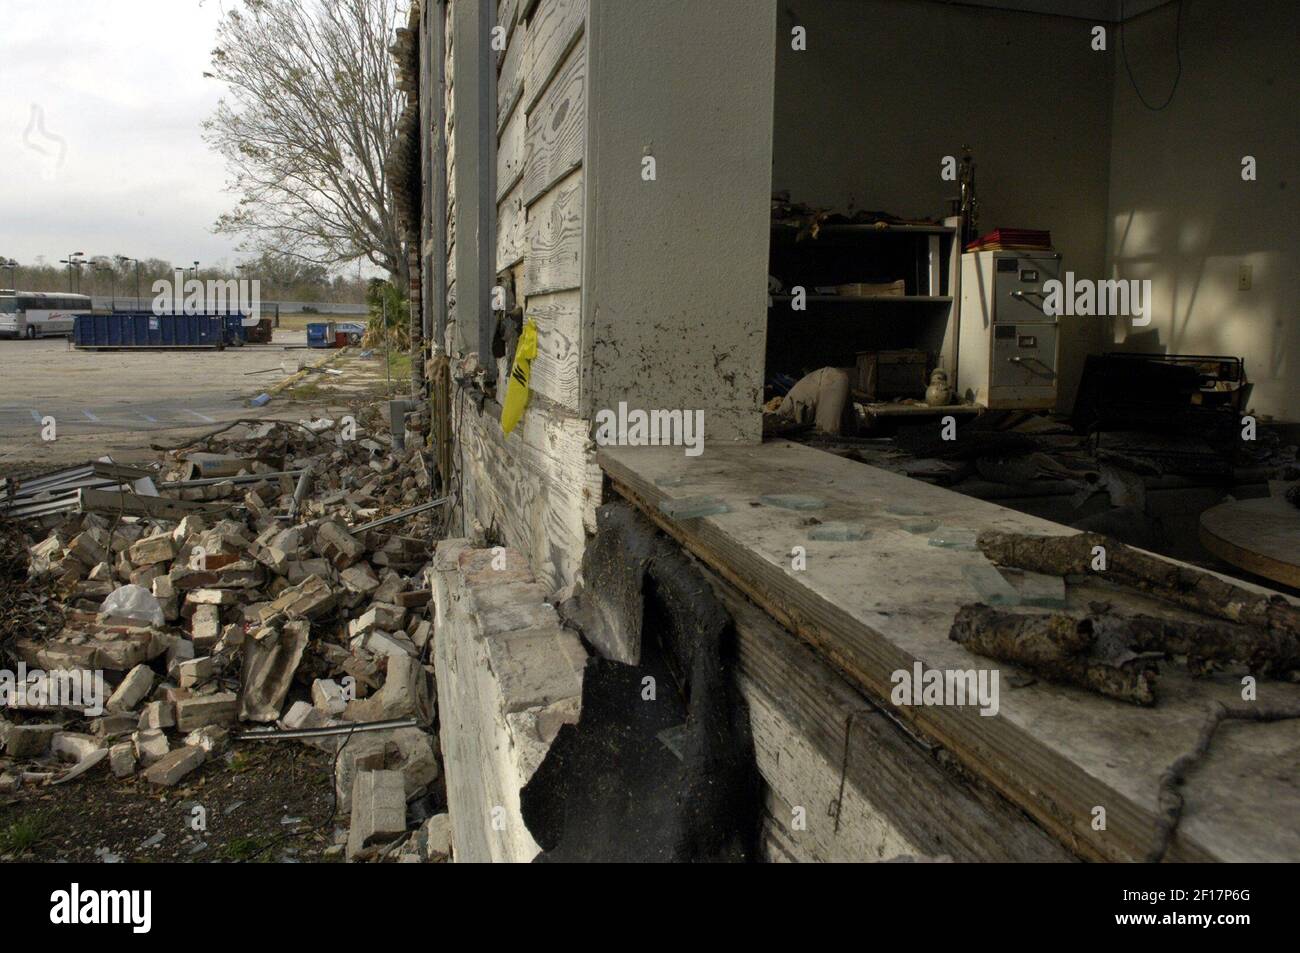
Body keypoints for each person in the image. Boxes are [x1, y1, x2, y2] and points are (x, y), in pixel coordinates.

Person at [765, 366, 856, 436]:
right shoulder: (789, 407)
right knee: (830, 431)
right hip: (831, 380)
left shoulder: (787, 408)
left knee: (829, 431)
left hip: (830, 381)